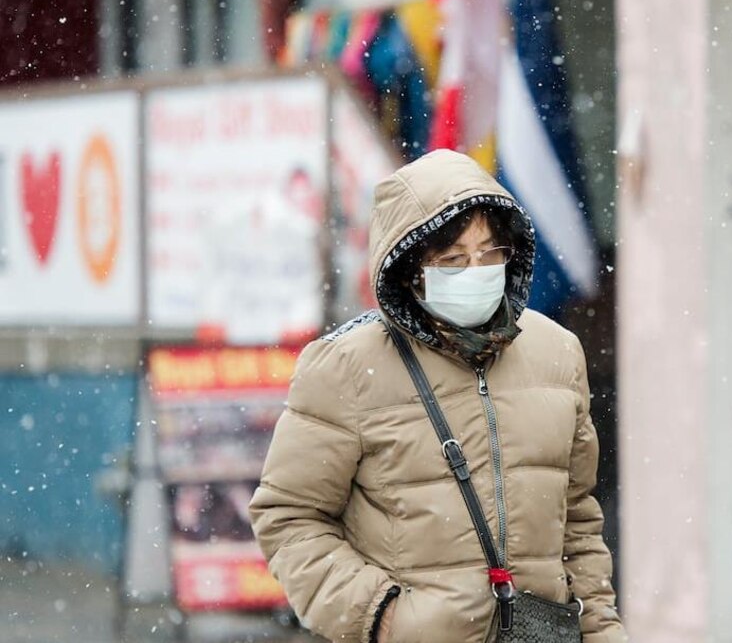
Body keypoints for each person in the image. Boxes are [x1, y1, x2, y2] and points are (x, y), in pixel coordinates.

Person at [249, 149, 626, 643]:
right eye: (454, 259)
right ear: (410, 270)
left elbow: (576, 519)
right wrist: (382, 616)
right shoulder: (344, 368)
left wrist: (601, 631)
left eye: (491, 252)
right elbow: (288, 516)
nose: (478, 269)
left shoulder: (557, 353)